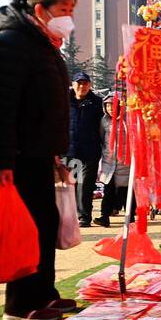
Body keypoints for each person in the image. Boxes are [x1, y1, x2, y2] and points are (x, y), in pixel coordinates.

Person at [0, 0, 75, 320]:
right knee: (27, 229)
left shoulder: (45, 45)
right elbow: (2, 107)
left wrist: (55, 151)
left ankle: (44, 293)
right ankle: (20, 305)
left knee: (45, 223)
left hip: (42, 152)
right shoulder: (11, 44)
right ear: (41, 10)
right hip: (20, 154)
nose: (68, 19)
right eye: (64, 11)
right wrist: (2, 160)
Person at [66, 71, 104, 227]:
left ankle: (84, 216)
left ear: (90, 85)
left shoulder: (97, 103)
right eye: (79, 83)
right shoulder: (63, 101)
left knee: (85, 185)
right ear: (73, 85)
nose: (82, 86)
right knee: (70, 185)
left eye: (85, 83)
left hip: (90, 151)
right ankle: (70, 215)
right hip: (68, 151)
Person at [94, 96, 130, 228]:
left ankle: (130, 217)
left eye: (113, 106)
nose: (110, 109)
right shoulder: (104, 121)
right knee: (108, 190)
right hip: (109, 160)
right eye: (108, 106)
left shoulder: (128, 119)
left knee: (126, 190)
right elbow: (102, 137)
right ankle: (104, 217)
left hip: (125, 160)